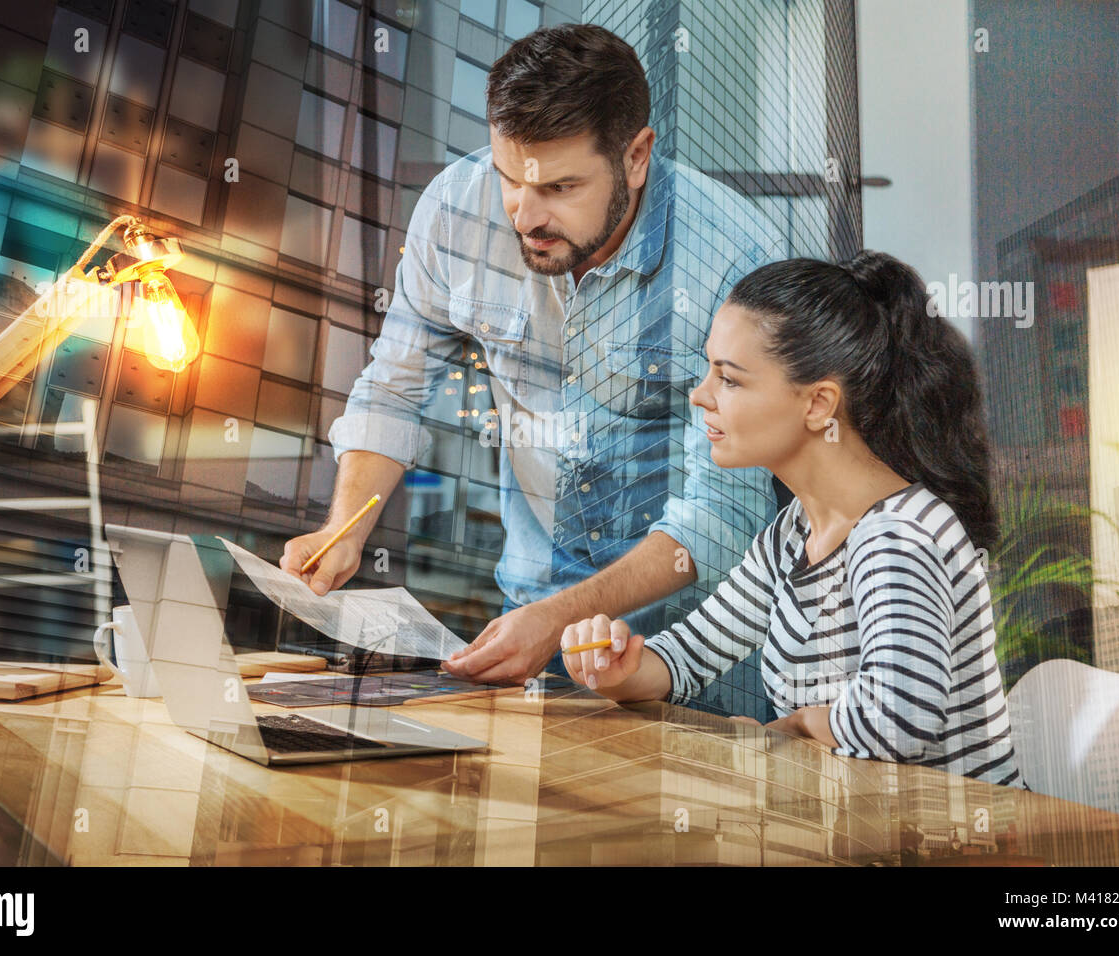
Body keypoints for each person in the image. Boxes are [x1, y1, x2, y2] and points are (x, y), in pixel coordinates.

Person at [281, 24, 783, 707]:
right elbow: (393, 391)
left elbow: (723, 513)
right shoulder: (456, 212)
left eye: (560, 187)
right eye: (511, 179)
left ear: (636, 156)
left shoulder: (734, 258)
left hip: (692, 654)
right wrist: (344, 530)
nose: (524, 215)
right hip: (528, 632)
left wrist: (561, 620)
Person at [560, 251, 1024, 786]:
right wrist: (617, 667)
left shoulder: (896, 537)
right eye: (708, 370)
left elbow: (900, 718)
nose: (699, 395)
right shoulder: (793, 534)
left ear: (819, 404)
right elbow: (688, 656)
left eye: (729, 380)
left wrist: (791, 728)